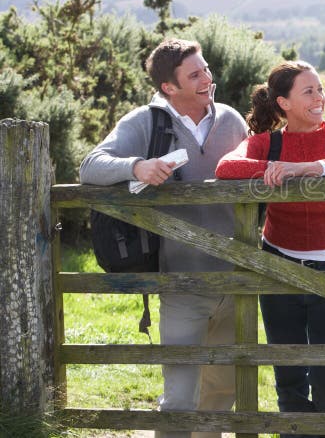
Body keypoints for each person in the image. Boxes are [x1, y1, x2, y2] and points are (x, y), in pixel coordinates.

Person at [79, 38, 248, 438]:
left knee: (223, 390)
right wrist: (137, 166)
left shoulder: (231, 120)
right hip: (180, 280)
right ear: (168, 87)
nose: (207, 77)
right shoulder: (145, 121)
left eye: (205, 68)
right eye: (195, 74)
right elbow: (90, 165)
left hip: (241, 278)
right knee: (179, 398)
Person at [215, 60, 325, 436]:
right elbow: (225, 167)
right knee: (289, 373)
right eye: (309, 92)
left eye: (321, 89)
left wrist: (310, 168)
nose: (320, 98)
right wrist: (273, 167)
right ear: (283, 102)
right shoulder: (268, 142)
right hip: (279, 264)